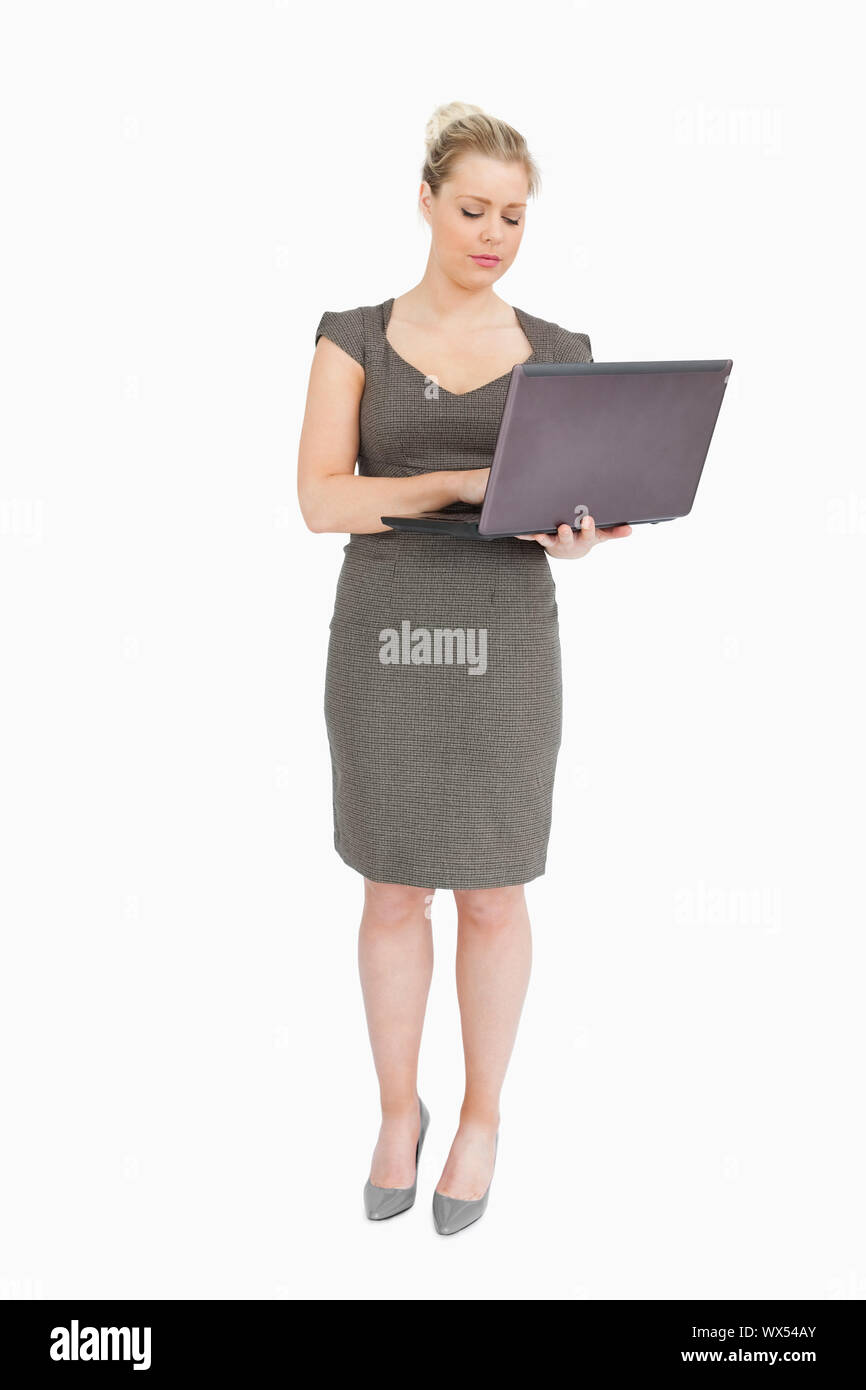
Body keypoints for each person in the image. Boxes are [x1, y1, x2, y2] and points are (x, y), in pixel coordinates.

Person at [297, 100, 632, 1235]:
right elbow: (318, 498)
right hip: (386, 630)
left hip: (504, 634)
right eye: (473, 208)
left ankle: (482, 1116)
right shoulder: (349, 333)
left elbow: (571, 505)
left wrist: (572, 531)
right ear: (427, 202)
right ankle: (399, 1111)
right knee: (391, 888)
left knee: (492, 891)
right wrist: (443, 487)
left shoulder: (561, 353)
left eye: (514, 216)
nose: (493, 233)